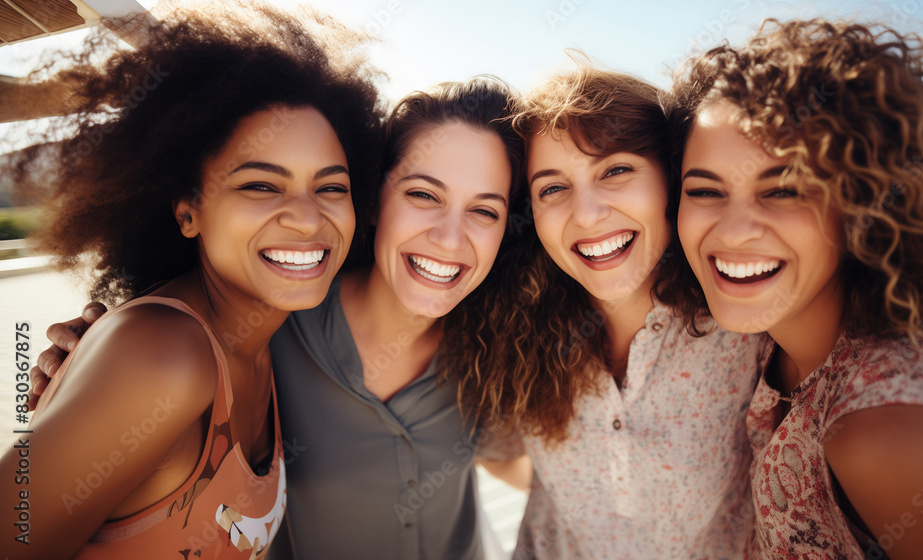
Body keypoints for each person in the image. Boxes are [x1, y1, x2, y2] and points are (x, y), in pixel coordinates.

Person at [31, 74, 528, 557]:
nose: (448, 237)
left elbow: (513, 456)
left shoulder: (500, 336)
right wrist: (104, 356)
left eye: (485, 211)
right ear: (375, 199)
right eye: (423, 194)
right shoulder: (270, 323)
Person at [0, 3, 383, 558]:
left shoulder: (265, 341)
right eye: (260, 185)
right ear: (188, 213)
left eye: (331, 187)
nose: (307, 217)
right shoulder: (166, 356)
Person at [673, 18, 923, 559]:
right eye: (705, 190)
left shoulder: (896, 436)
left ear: (864, 205)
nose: (732, 231)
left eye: (783, 191)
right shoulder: (772, 344)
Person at [440, 66, 769, 559]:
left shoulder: (744, 321)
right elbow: (501, 455)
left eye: (615, 170)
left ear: (670, 177)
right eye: (552, 188)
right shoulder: (515, 330)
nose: (588, 213)